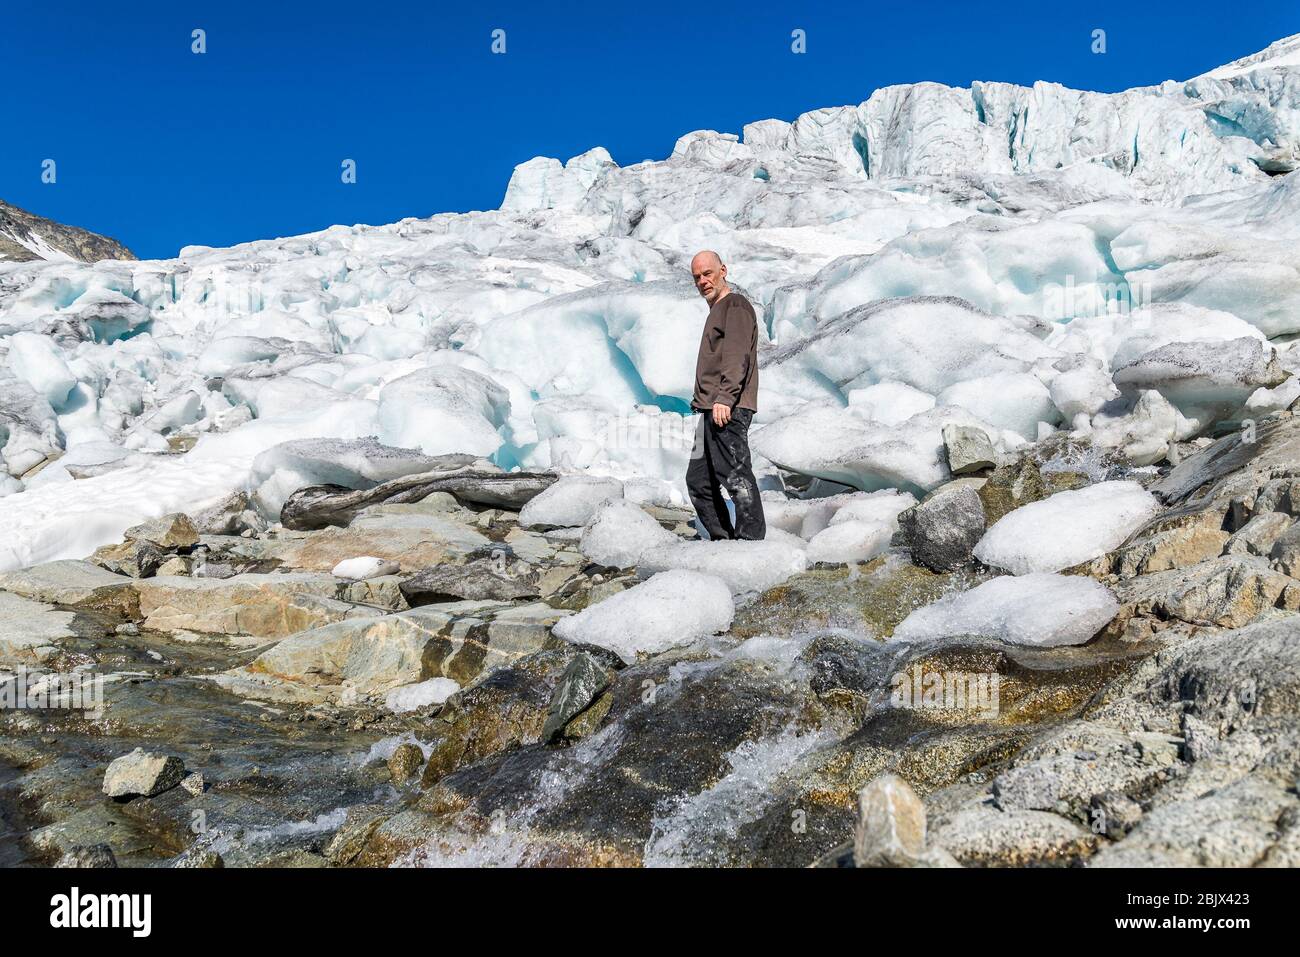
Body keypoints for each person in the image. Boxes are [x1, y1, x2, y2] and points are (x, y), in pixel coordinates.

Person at [685, 250, 766, 540]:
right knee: (698, 481)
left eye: (707, 273)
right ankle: (724, 540)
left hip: (727, 407)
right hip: (711, 409)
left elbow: (737, 354)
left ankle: (751, 541)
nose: (703, 281)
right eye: (697, 277)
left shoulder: (735, 305)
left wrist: (725, 397)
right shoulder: (718, 309)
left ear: (723, 270)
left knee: (736, 476)